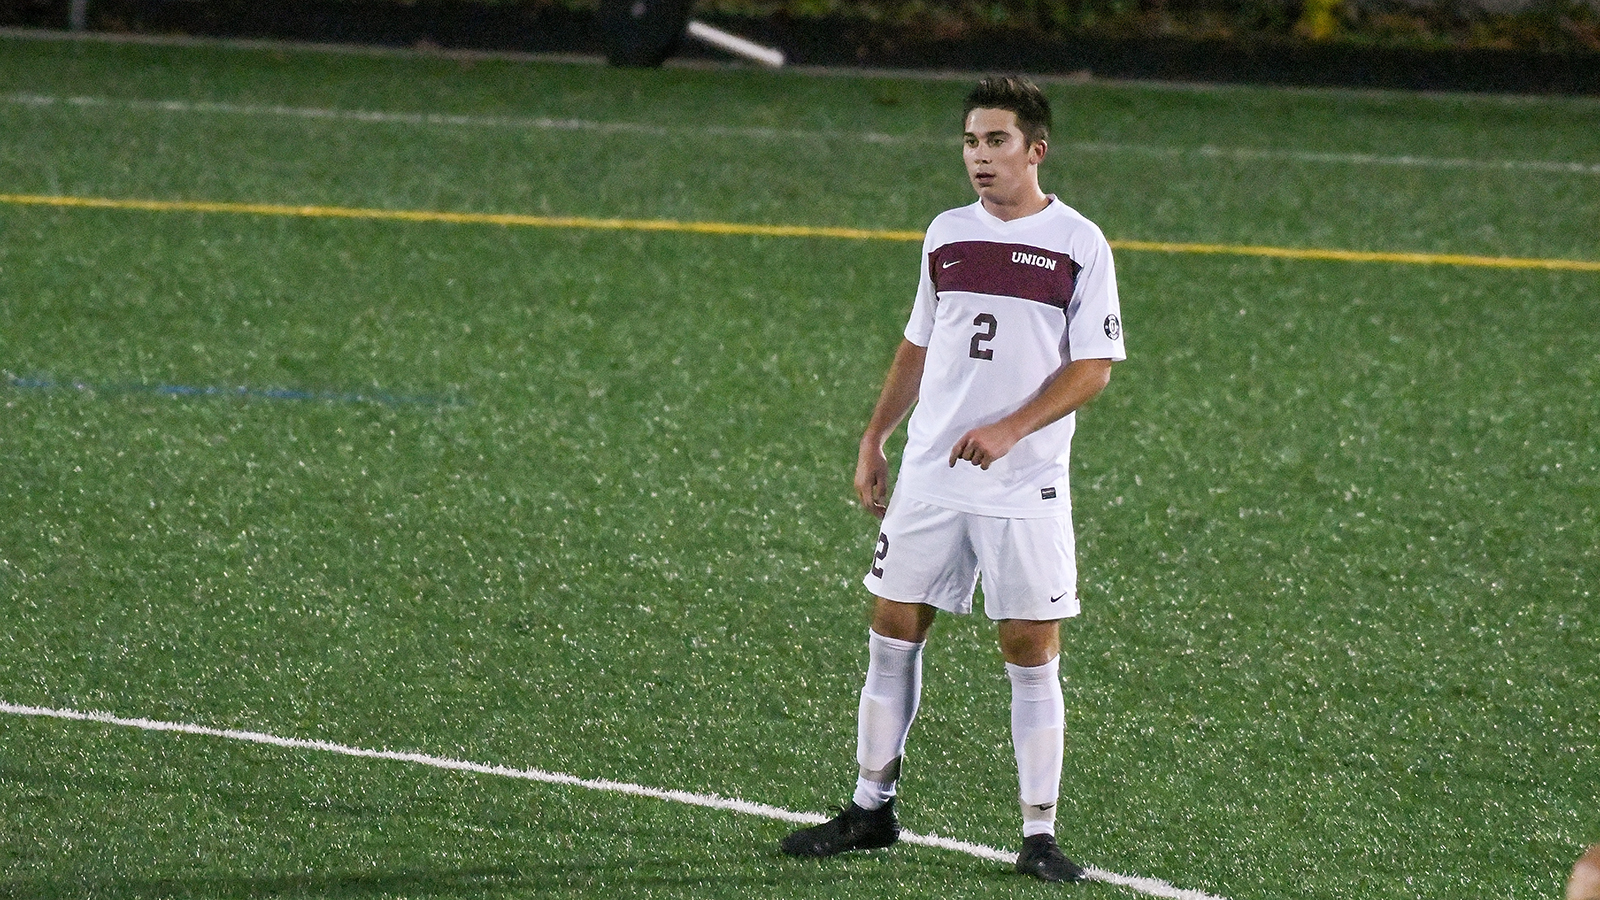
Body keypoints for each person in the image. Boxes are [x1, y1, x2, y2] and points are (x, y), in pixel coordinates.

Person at [779, 75, 1126, 883]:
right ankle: (870, 807)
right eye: (971, 141)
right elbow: (918, 344)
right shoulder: (945, 233)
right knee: (893, 626)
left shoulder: (1080, 243)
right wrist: (875, 436)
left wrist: (1010, 430)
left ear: (1036, 150)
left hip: (1023, 482)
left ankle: (1038, 833)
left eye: (997, 141)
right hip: (933, 475)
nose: (980, 156)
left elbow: (1095, 369)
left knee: (1029, 646)